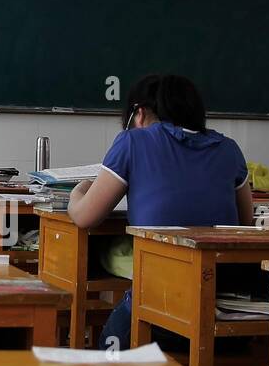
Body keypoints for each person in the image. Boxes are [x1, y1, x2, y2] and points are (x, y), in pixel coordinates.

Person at [67, 74, 253, 349]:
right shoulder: (229, 149)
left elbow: (84, 217)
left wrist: (77, 191)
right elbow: (245, 221)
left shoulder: (132, 142)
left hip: (158, 310)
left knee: (106, 355)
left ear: (139, 114)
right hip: (227, 317)